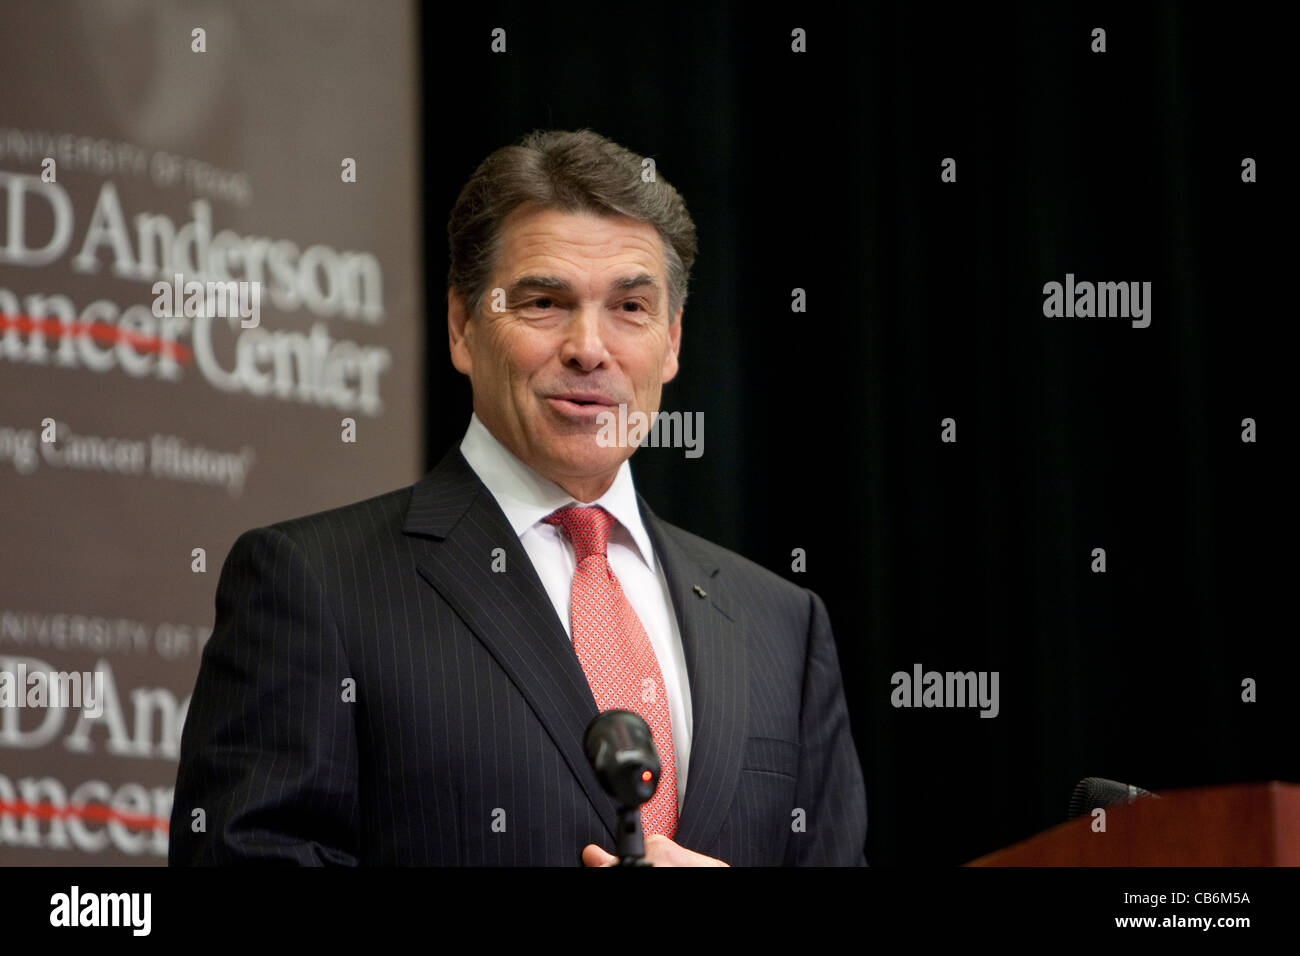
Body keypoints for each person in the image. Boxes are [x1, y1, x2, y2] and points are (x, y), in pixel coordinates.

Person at [169, 129, 867, 866]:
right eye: (544, 301)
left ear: (672, 340)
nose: (589, 348)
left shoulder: (783, 630)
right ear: (464, 326)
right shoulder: (313, 584)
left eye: (630, 307)